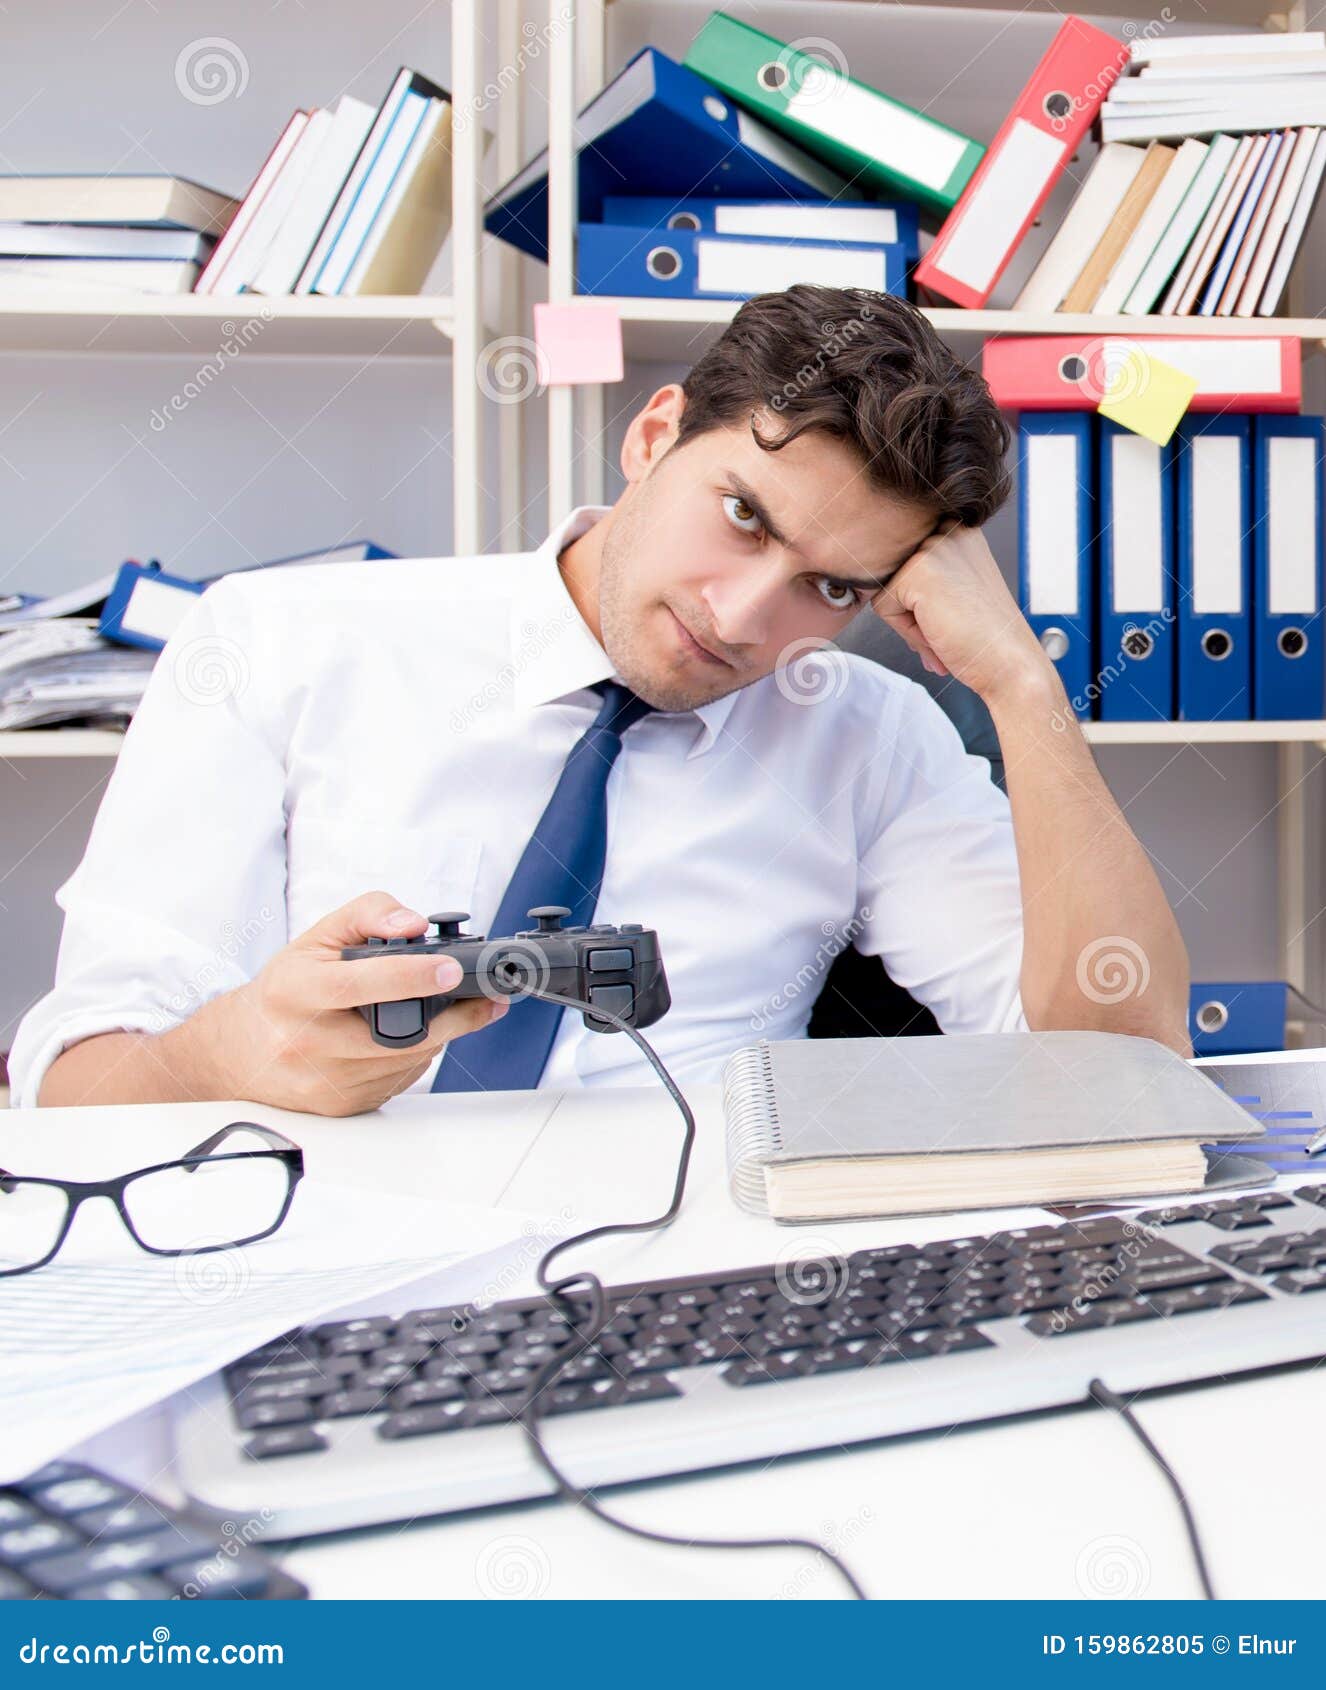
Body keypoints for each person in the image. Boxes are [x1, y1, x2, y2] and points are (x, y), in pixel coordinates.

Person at [12, 285, 1190, 1115]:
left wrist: (1024, 687)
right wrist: (225, 1055)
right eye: (743, 516)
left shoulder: (871, 736)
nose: (742, 619)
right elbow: (72, 1087)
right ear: (654, 433)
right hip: (315, 1260)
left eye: (830, 585)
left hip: (706, 1295)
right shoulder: (277, 640)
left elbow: (1123, 1068)